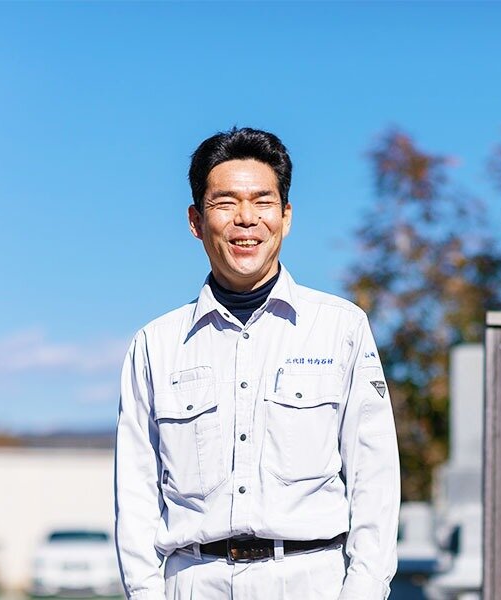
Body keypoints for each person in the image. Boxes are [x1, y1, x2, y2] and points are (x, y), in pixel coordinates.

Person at [114, 127, 400, 600]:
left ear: (286, 217)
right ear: (196, 221)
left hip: (313, 583)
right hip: (194, 582)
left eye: (262, 202)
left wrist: (364, 590)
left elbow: (376, 477)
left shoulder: (342, 328)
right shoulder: (155, 344)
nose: (246, 218)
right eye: (225, 203)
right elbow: (135, 493)